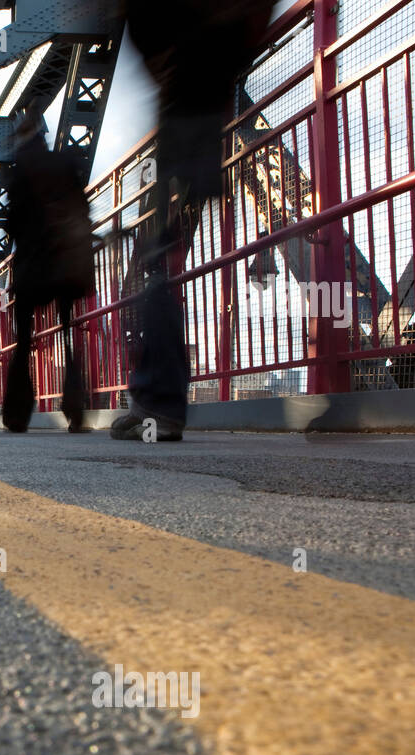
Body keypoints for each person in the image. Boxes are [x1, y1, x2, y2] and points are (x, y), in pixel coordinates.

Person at [105, 0, 276, 440]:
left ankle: (158, 404)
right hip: (203, 105)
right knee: (160, 264)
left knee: (157, 265)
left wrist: (172, 63)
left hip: (186, 110)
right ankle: (158, 399)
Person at [2, 112, 95, 433]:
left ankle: (17, 415)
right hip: (66, 265)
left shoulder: (18, 174)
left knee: (24, 342)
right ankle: (75, 411)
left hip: (31, 269)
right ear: (43, 134)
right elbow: (83, 210)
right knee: (69, 336)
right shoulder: (64, 163)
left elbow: (12, 225)